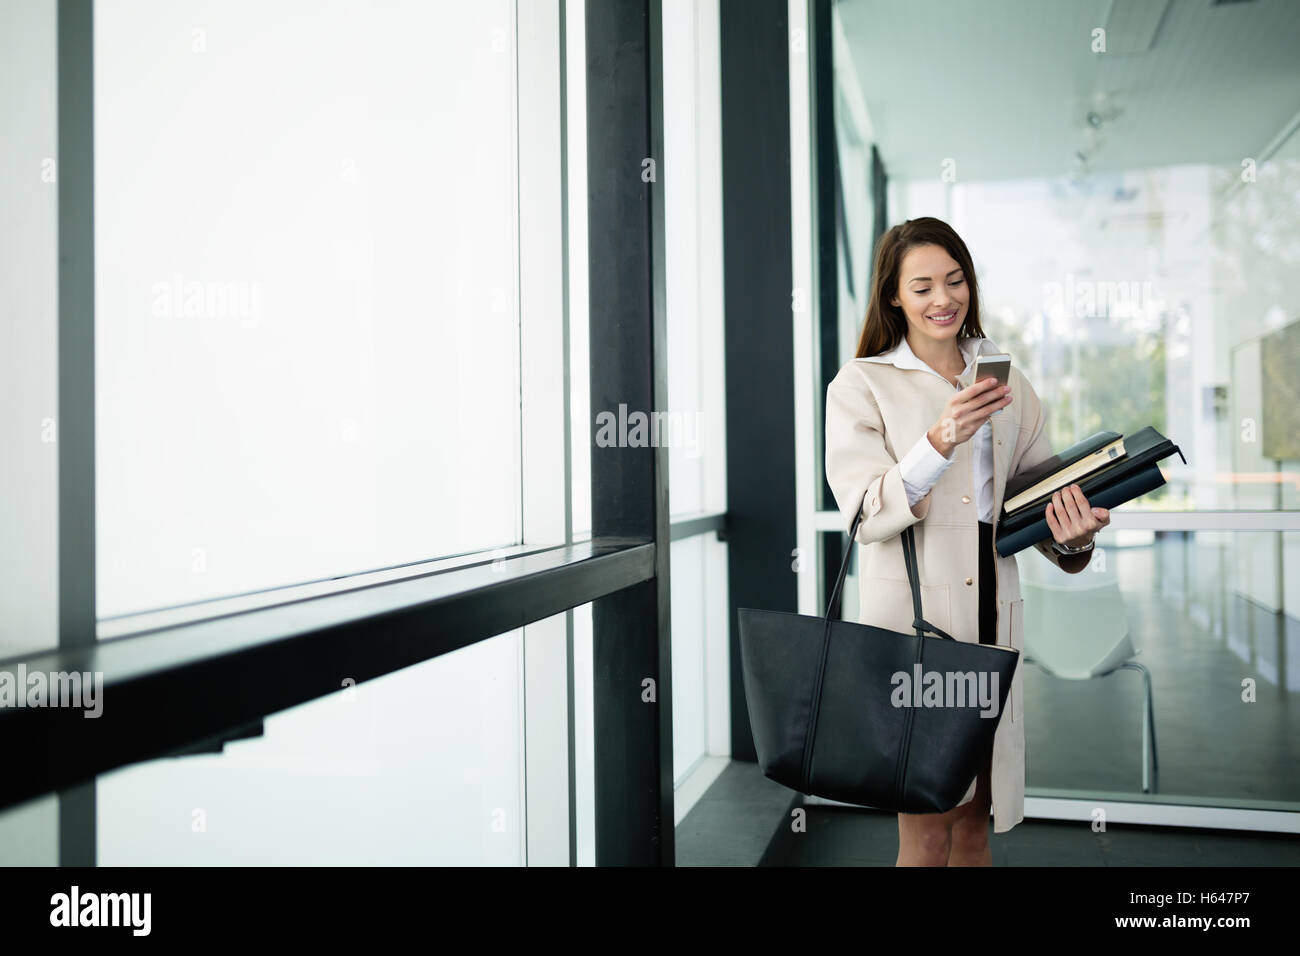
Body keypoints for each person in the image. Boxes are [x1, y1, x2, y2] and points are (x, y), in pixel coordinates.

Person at [824, 217, 1111, 866]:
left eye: (954, 281)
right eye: (921, 286)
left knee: (979, 822)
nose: (942, 298)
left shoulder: (1006, 380)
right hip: (913, 632)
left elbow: (1033, 502)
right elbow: (866, 514)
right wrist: (938, 440)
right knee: (927, 828)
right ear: (893, 296)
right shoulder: (861, 385)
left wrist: (1072, 536)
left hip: (990, 622)